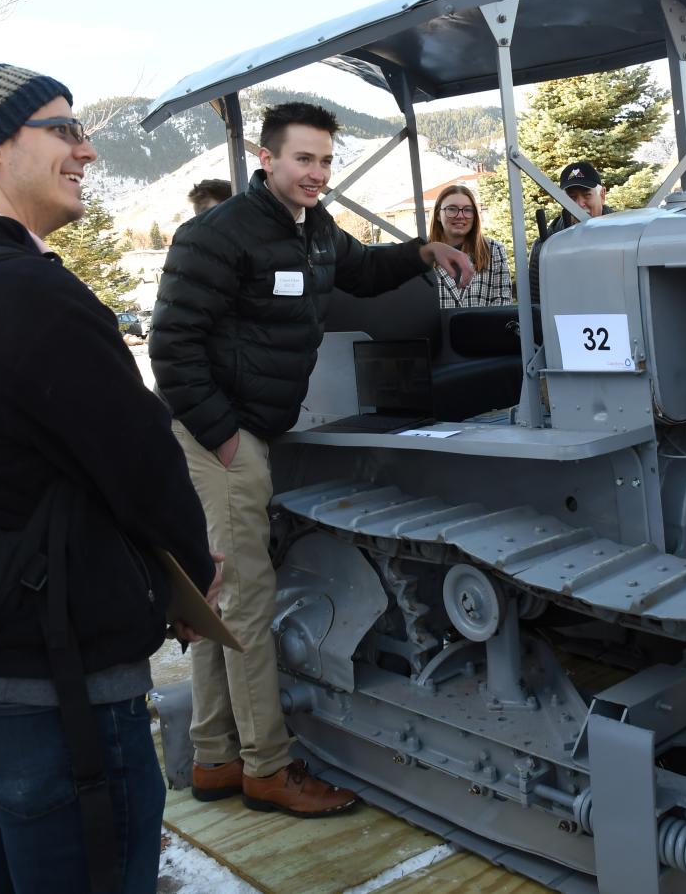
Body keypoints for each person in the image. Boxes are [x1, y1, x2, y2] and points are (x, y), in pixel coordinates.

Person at [0, 53, 219, 892]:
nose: (88, 151)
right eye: (66, 128)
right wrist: (192, 575)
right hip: (52, 699)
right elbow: (142, 465)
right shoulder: (29, 293)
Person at [151, 101, 472, 817]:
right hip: (222, 436)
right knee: (248, 599)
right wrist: (226, 437)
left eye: (326, 160)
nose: (317, 172)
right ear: (266, 160)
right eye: (303, 158)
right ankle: (267, 767)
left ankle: (215, 757)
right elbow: (171, 345)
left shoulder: (314, 229)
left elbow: (364, 269)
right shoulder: (217, 235)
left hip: (252, 431)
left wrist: (425, 251)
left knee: (223, 599)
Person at [526, 161, 614, 299]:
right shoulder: (545, 245)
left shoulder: (625, 236)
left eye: (587, 195)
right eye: (572, 198)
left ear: (602, 195)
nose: (579, 204)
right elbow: (535, 302)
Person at [428, 184, 511, 307]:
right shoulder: (422, 253)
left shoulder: (494, 250)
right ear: (438, 215)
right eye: (452, 209)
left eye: (467, 210)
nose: (460, 216)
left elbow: (503, 303)